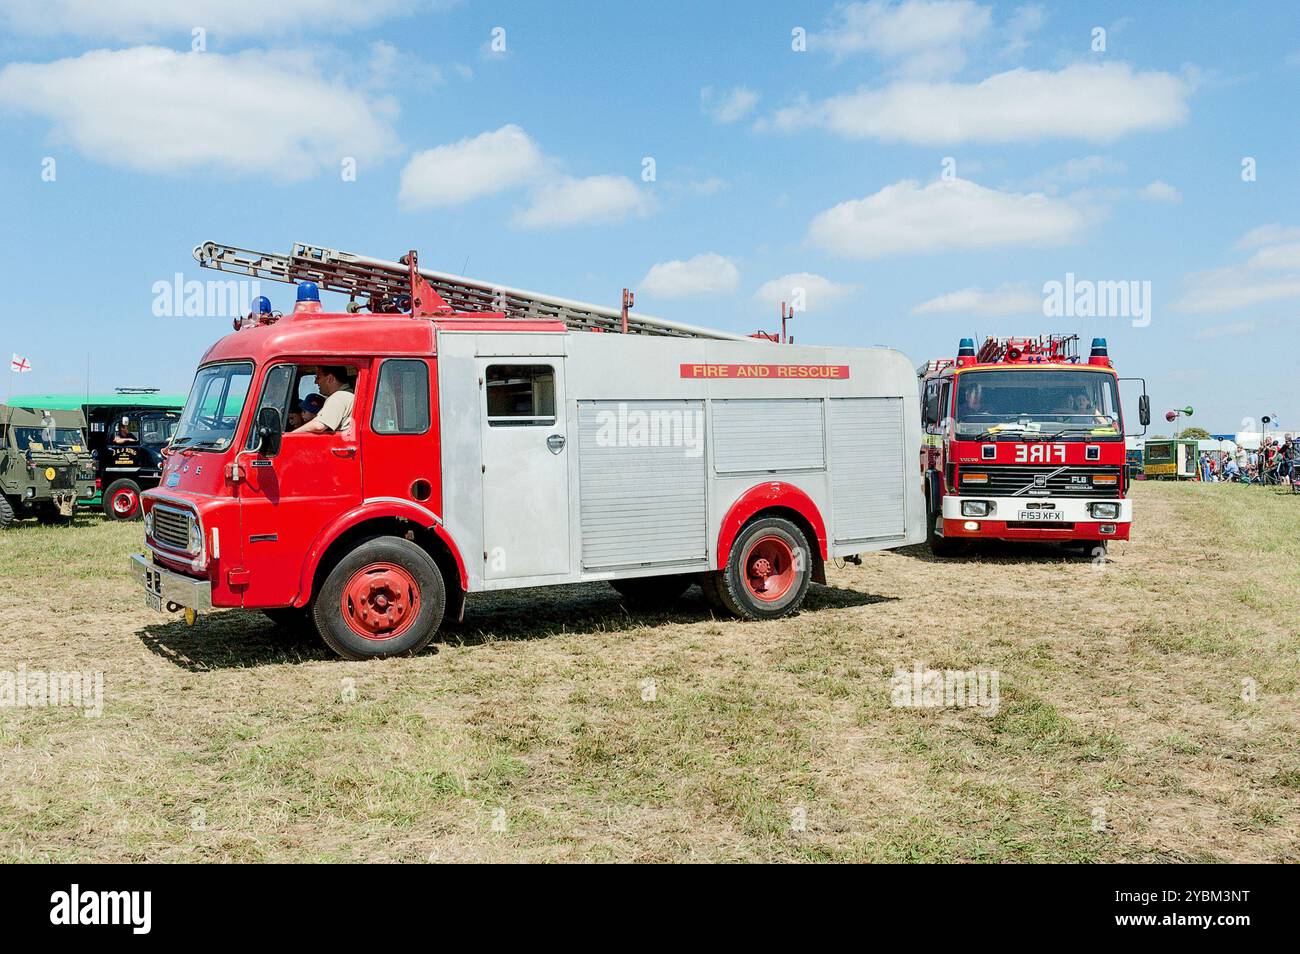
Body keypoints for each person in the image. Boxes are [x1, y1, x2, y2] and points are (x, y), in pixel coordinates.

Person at [293, 367, 352, 434]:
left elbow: (318, 426)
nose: (316, 382)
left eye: (318, 377)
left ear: (330, 379)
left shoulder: (339, 396)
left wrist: (288, 436)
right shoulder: (347, 394)